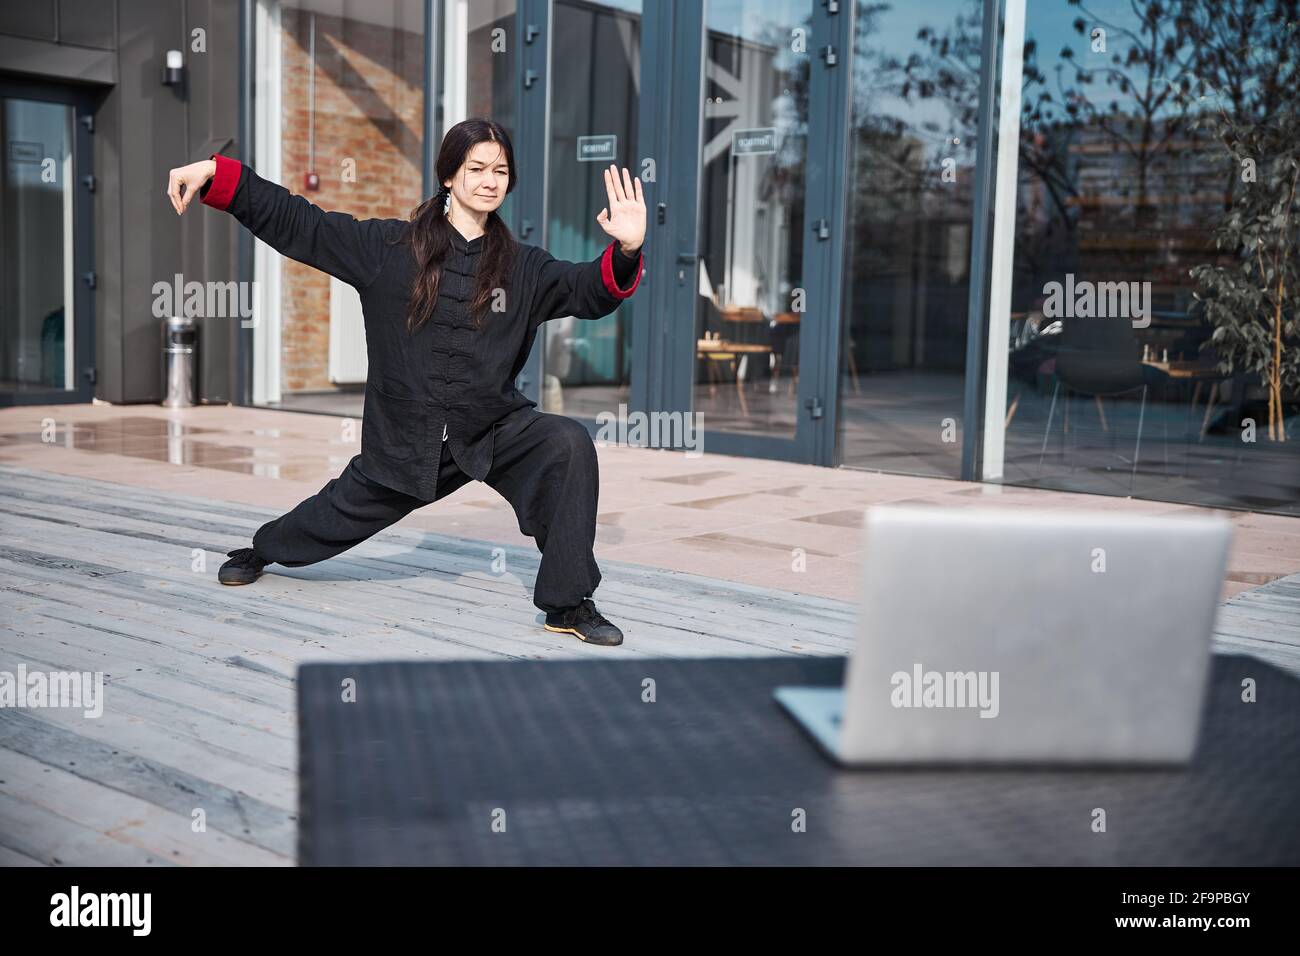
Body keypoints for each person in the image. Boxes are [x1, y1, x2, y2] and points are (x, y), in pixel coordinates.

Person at [165, 118, 647, 646]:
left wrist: (624, 251)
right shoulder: (389, 249)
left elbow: (587, 290)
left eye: (501, 171)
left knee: (566, 444)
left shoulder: (524, 268)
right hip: (404, 441)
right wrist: (218, 174)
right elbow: (303, 225)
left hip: (488, 431)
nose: (489, 180)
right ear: (448, 175)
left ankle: (569, 604)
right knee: (331, 517)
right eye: (476, 168)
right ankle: (263, 549)